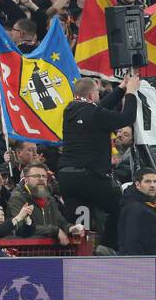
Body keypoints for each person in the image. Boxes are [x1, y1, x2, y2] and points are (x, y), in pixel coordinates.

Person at [56, 75, 141, 248]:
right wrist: (131, 92)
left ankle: (77, 254)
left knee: (78, 222)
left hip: (66, 178)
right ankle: (107, 247)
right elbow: (127, 118)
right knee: (122, 206)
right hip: (90, 177)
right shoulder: (95, 113)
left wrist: (121, 88)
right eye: (97, 93)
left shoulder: (70, 111)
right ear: (90, 96)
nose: (99, 96)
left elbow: (98, 109)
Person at [118, 167, 156, 256]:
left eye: (155, 181)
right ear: (138, 184)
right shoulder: (135, 208)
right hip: (146, 265)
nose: (152, 185)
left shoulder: (148, 205)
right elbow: (132, 241)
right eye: (147, 181)